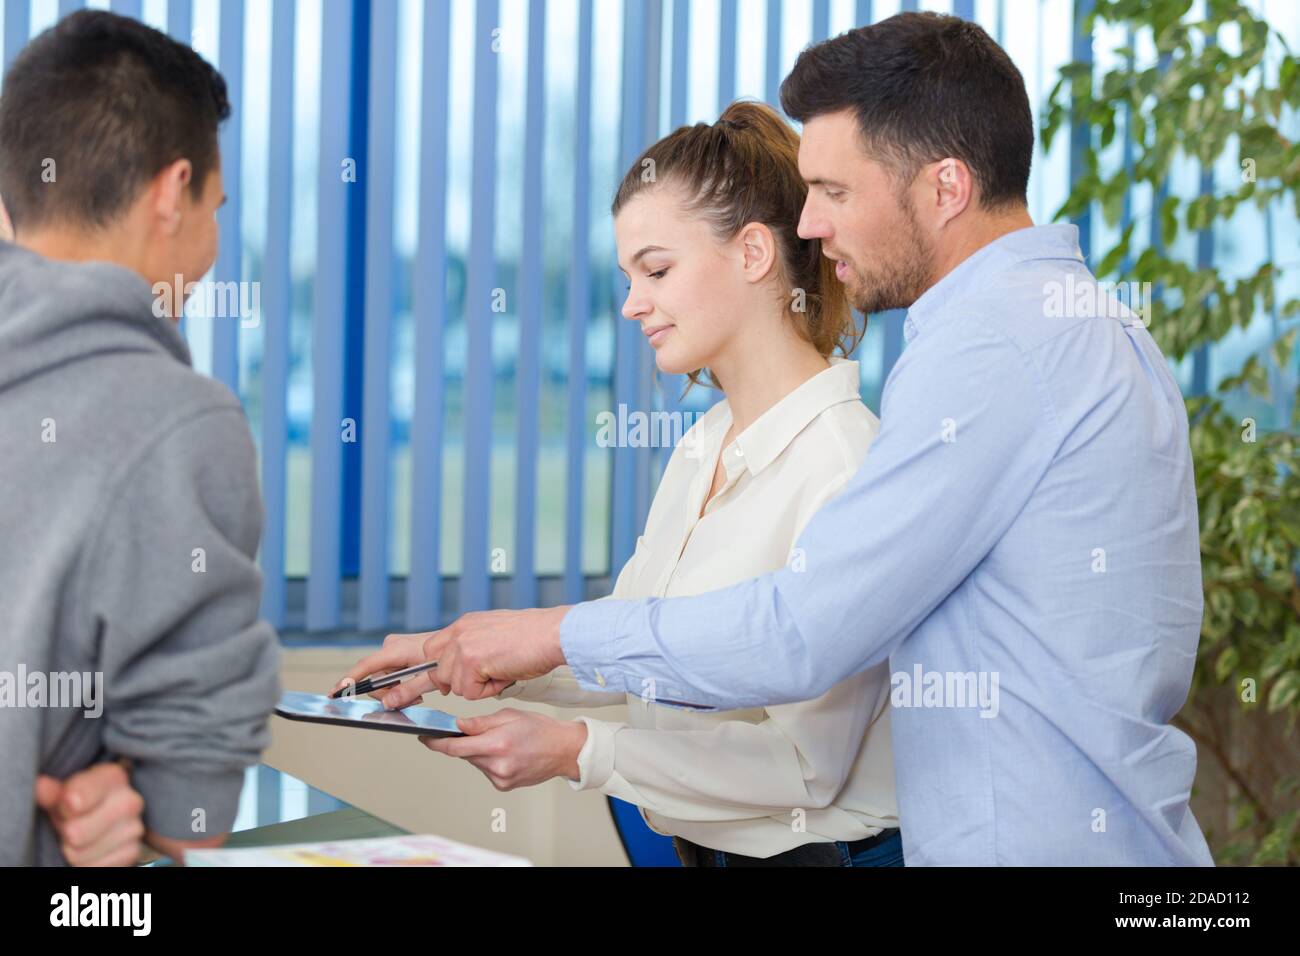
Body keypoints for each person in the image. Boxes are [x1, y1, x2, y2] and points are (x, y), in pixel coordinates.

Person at [351, 12, 1213, 866]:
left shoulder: (993, 347)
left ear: (945, 188)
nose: (810, 223)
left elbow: (804, 633)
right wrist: (460, 656)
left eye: (835, 192)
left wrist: (558, 674)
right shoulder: (1076, 327)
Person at [340, 101, 901, 868]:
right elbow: (643, 657)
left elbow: (803, 767)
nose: (632, 304)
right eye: (628, 275)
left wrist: (579, 750)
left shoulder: (843, 466)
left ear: (753, 254)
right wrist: (457, 656)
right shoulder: (704, 444)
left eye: (657, 269)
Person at [0, 10, 280, 865]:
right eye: (215, 208)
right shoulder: (180, 425)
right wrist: (120, 801)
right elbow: (188, 820)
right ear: (172, 190)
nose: (212, 250)